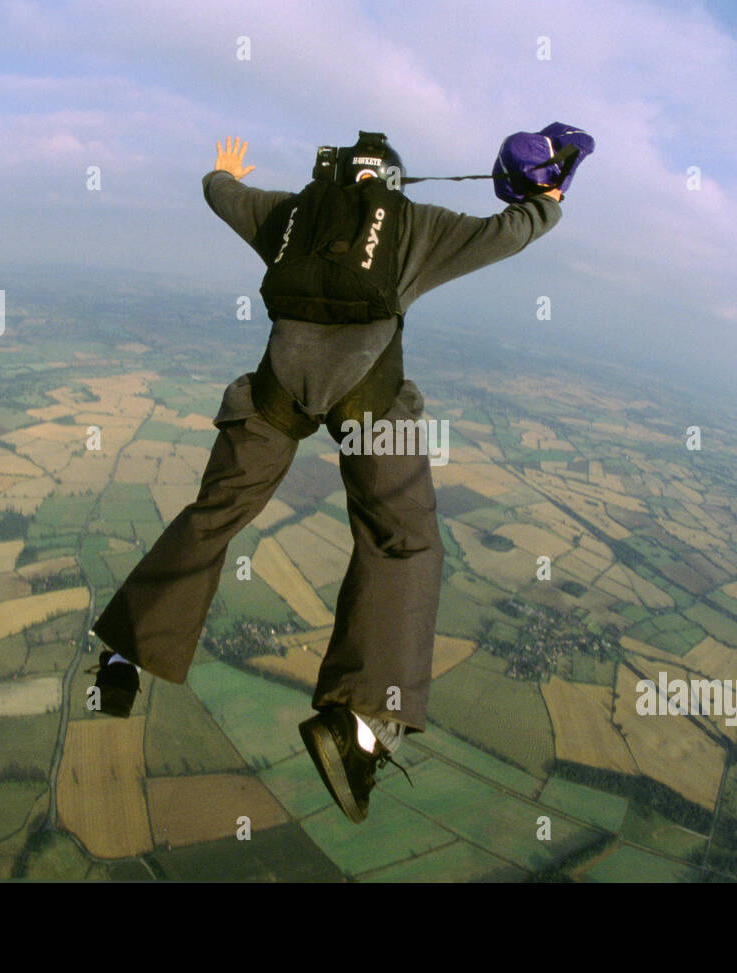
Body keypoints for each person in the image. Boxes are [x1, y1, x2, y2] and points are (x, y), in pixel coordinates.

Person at [89, 132, 564, 823]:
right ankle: (361, 726)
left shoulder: (289, 216)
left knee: (214, 513)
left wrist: (220, 172)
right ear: (390, 181)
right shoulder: (413, 225)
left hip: (277, 387)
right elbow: (509, 232)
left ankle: (122, 663)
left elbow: (224, 196)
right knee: (404, 540)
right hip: (368, 396)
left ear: (333, 176)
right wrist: (547, 198)